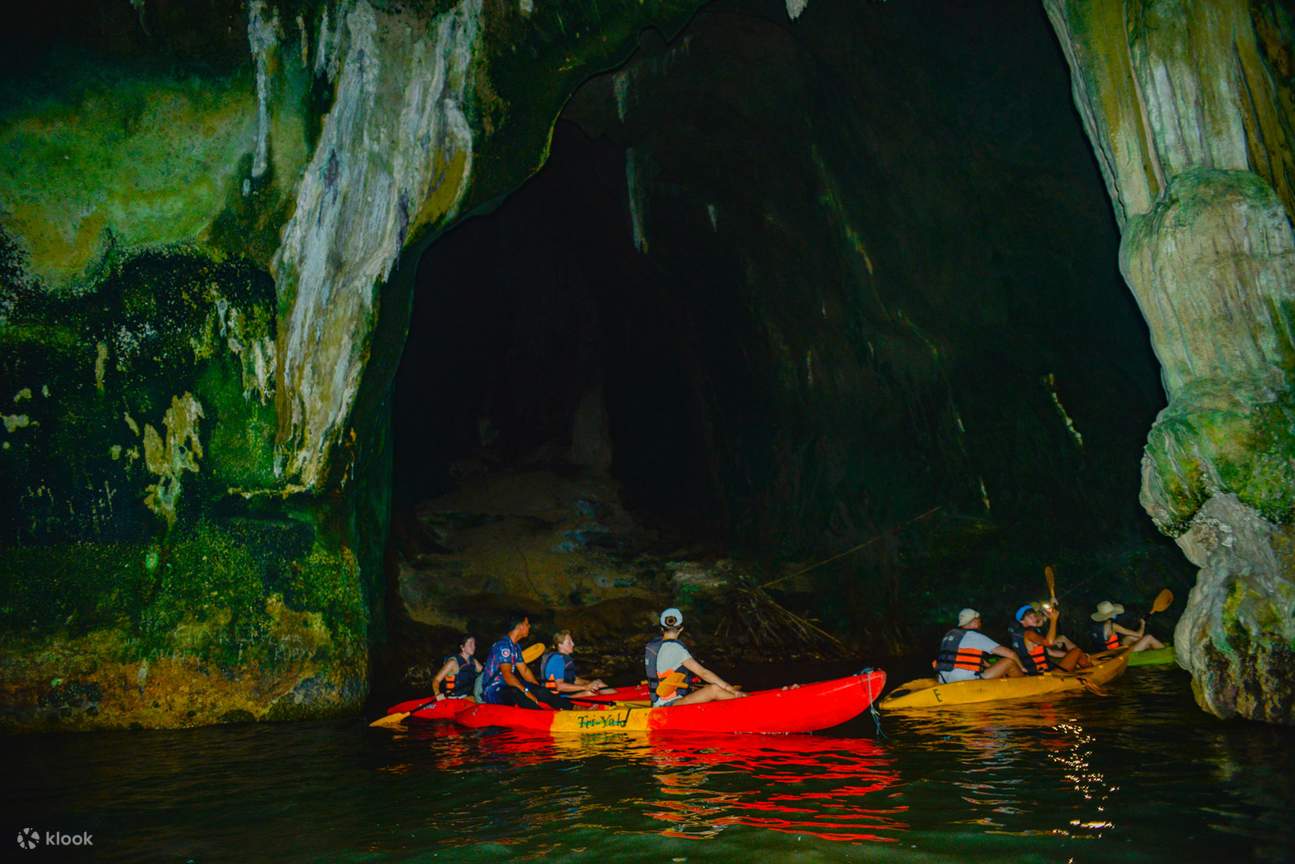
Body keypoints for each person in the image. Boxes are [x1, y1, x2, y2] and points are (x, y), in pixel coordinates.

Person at [645, 608, 743, 706]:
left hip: (658, 702)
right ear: (681, 628)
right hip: (670, 705)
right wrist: (729, 688)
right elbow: (703, 673)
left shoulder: (655, 646)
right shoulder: (675, 649)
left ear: (662, 629)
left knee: (709, 689)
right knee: (714, 690)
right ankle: (746, 704)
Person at [480, 613, 568, 710]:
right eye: (527, 624)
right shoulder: (503, 646)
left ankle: (572, 708)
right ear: (520, 626)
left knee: (539, 691)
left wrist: (539, 690)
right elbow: (508, 676)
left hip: (508, 687)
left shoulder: (515, 646)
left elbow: (525, 671)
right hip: (494, 690)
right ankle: (540, 716)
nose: (529, 626)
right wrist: (527, 693)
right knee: (517, 692)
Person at [935, 608, 1027, 683]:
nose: (980, 624)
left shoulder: (950, 635)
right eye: (979, 621)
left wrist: (995, 668)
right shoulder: (974, 636)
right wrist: (1022, 669)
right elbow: (1011, 654)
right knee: (1009, 662)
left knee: (999, 667)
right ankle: (1024, 684)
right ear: (974, 622)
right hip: (963, 680)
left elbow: (971, 659)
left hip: (943, 679)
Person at [1008, 605, 1090, 674]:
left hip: (1037, 672)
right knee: (1077, 650)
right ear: (1021, 621)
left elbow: (1051, 652)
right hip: (1047, 674)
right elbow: (1049, 642)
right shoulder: (1029, 634)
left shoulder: (1021, 633)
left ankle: (1084, 662)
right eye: (1029, 617)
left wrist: (1070, 656)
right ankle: (1090, 671)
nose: (1034, 618)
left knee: (1075, 654)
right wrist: (1053, 620)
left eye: (1034, 615)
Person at [539, 630, 615, 699]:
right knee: (590, 693)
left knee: (597, 683)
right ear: (560, 645)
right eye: (569, 642)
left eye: (572, 641)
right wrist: (585, 687)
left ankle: (620, 700)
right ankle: (618, 704)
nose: (573, 644)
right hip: (558, 699)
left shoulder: (562, 658)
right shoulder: (557, 660)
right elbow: (559, 686)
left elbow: (573, 679)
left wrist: (590, 683)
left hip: (563, 695)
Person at [1090, 601, 1164, 652]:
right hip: (1118, 654)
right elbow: (1139, 634)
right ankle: (1163, 651)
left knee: (1129, 638)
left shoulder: (1097, 627)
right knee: (1149, 637)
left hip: (1110, 651)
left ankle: (1150, 647)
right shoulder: (1113, 626)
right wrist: (1143, 624)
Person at [431, 635, 482, 700]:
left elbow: (485, 674)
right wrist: (437, 693)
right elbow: (436, 680)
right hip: (452, 699)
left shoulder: (473, 661)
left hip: (466, 697)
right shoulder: (453, 662)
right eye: (470, 644)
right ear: (462, 647)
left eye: (474, 644)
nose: (473, 647)